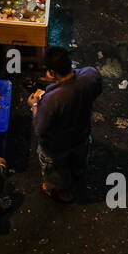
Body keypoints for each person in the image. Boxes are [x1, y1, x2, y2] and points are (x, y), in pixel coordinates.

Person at [29, 47, 102, 203]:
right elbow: (96, 90)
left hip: (57, 146)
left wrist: (34, 105)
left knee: (56, 171)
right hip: (81, 135)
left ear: (53, 73)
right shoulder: (90, 75)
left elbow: (40, 129)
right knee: (78, 159)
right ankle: (77, 172)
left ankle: (61, 191)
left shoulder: (52, 100)